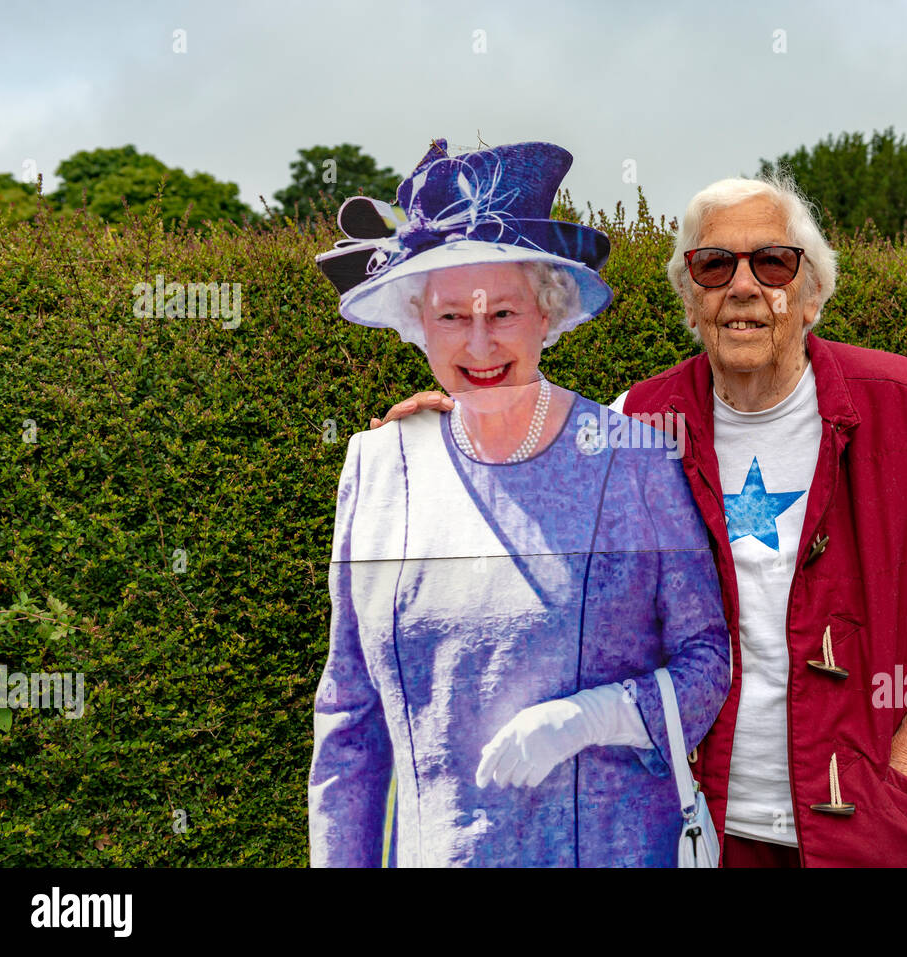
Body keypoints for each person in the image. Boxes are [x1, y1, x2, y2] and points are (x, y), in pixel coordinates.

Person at [375, 170, 907, 868]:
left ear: (811, 293)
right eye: (714, 265)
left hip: (878, 834)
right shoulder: (635, 421)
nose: (742, 285)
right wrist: (462, 435)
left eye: (772, 262)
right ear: (691, 299)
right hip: (701, 830)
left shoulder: (905, 407)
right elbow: (539, 567)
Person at [309, 139, 730, 867]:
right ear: (417, 321)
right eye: (450, 318)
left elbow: (707, 661)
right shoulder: (377, 470)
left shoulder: (631, 460)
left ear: (548, 311)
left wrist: (595, 715)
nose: (478, 344)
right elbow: (349, 720)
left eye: (502, 311)